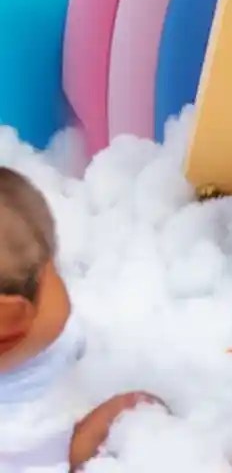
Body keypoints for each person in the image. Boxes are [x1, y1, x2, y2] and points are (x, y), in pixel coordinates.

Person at [0, 167, 162, 471]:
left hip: (59, 446)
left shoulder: (57, 337)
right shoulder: (53, 327)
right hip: (43, 454)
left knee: (140, 411)